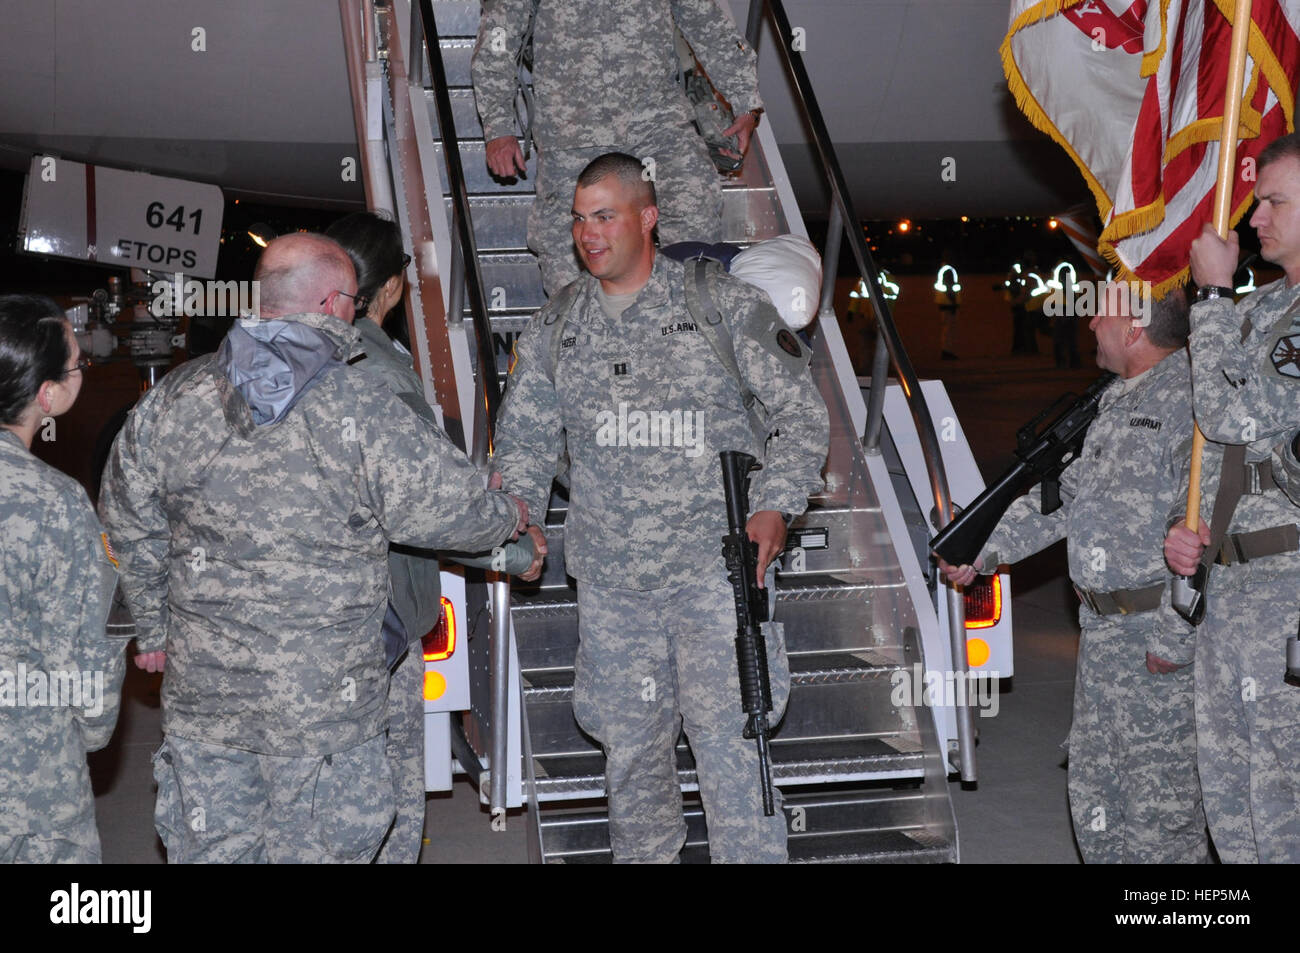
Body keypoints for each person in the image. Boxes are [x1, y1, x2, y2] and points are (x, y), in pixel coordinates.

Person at [99, 233, 529, 864]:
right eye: (353, 302)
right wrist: (511, 514)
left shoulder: (171, 400)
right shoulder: (361, 405)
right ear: (332, 302)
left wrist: (156, 628)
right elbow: (451, 514)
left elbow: (126, 517)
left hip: (206, 705)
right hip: (326, 711)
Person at [492, 152, 828, 862]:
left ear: (648, 216)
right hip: (614, 595)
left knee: (737, 768)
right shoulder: (555, 328)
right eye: (579, 219)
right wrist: (517, 526)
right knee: (634, 775)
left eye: (605, 216)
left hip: (715, 581)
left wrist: (773, 504)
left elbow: (800, 416)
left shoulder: (720, 305)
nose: (588, 233)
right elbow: (520, 445)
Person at [940, 284, 1209, 863]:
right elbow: (1064, 501)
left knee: (1160, 821)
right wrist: (982, 549)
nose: (1088, 325)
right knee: (1096, 800)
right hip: (1102, 635)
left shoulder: (1191, 401)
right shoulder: (1115, 398)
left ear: (1134, 327)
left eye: (1101, 314)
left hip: (1153, 641)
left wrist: (1174, 637)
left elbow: (1201, 534)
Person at [325, 211, 544, 864]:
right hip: (375, 621)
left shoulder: (271, 358)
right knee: (385, 804)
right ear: (391, 286)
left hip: (293, 625)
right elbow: (423, 503)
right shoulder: (375, 370)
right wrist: (513, 549)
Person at [1164, 131, 1300, 863]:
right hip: (1236, 588)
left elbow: (1233, 414)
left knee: (1285, 801)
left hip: (1290, 591)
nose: (1255, 218)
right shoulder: (1265, 309)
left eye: (1275, 201)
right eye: (1256, 203)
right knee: (1231, 796)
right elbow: (1221, 454)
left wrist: (1212, 295)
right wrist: (1191, 534)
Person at [471, 0, 763, 295]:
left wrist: (745, 101)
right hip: (572, 130)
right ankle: (579, 334)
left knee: (693, 213)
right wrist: (498, 127)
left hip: (656, 122)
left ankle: (684, 326)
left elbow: (707, 21)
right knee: (568, 253)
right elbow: (500, 33)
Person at [0, 294, 126, 863]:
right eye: (78, 365)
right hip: (28, 782)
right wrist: (89, 732)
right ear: (47, 395)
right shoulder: (55, 503)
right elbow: (95, 641)